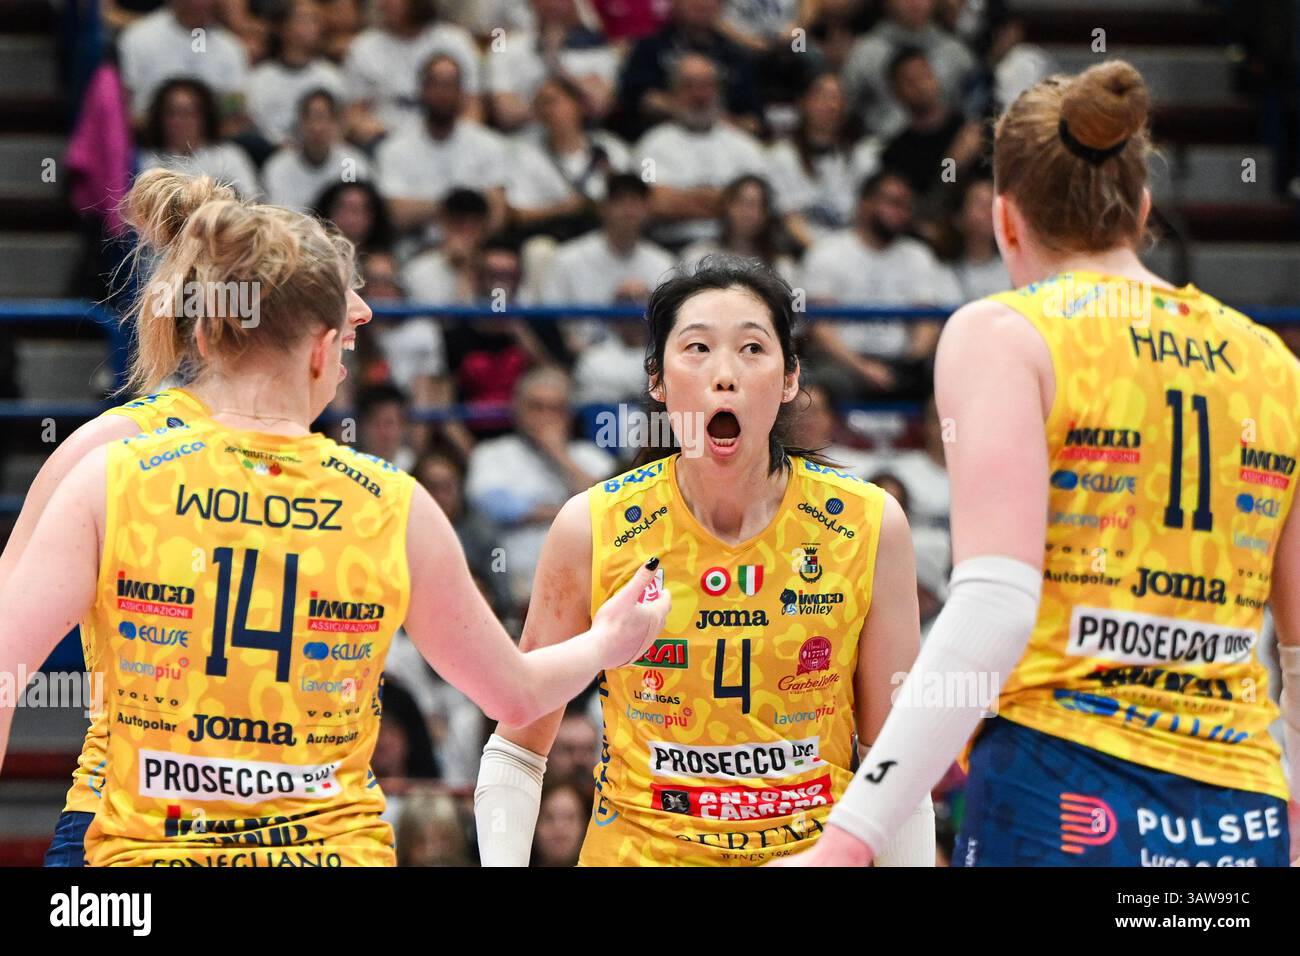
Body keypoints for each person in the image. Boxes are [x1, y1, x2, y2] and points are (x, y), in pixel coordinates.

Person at [0, 169, 670, 867]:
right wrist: (606, 640)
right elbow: (515, 690)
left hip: (135, 843)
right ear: (322, 343)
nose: (361, 322)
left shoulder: (112, 462)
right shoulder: (389, 498)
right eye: (346, 316)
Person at [780, 61, 1300, 867]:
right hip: (1240, 811)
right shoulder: (1271, 361)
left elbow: (995, 603)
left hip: (1063, 786)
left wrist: (846, 841)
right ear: (1144, 210)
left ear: (1004, 220)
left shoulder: (1006, 333)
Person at [474, 256, 934, 866]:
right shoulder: (593, 526)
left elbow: (891, 762)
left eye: (751, 349)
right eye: (696, 348)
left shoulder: (869, 524)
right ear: (658, 382)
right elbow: (518, 748)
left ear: (791, 378)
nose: (725, 375)